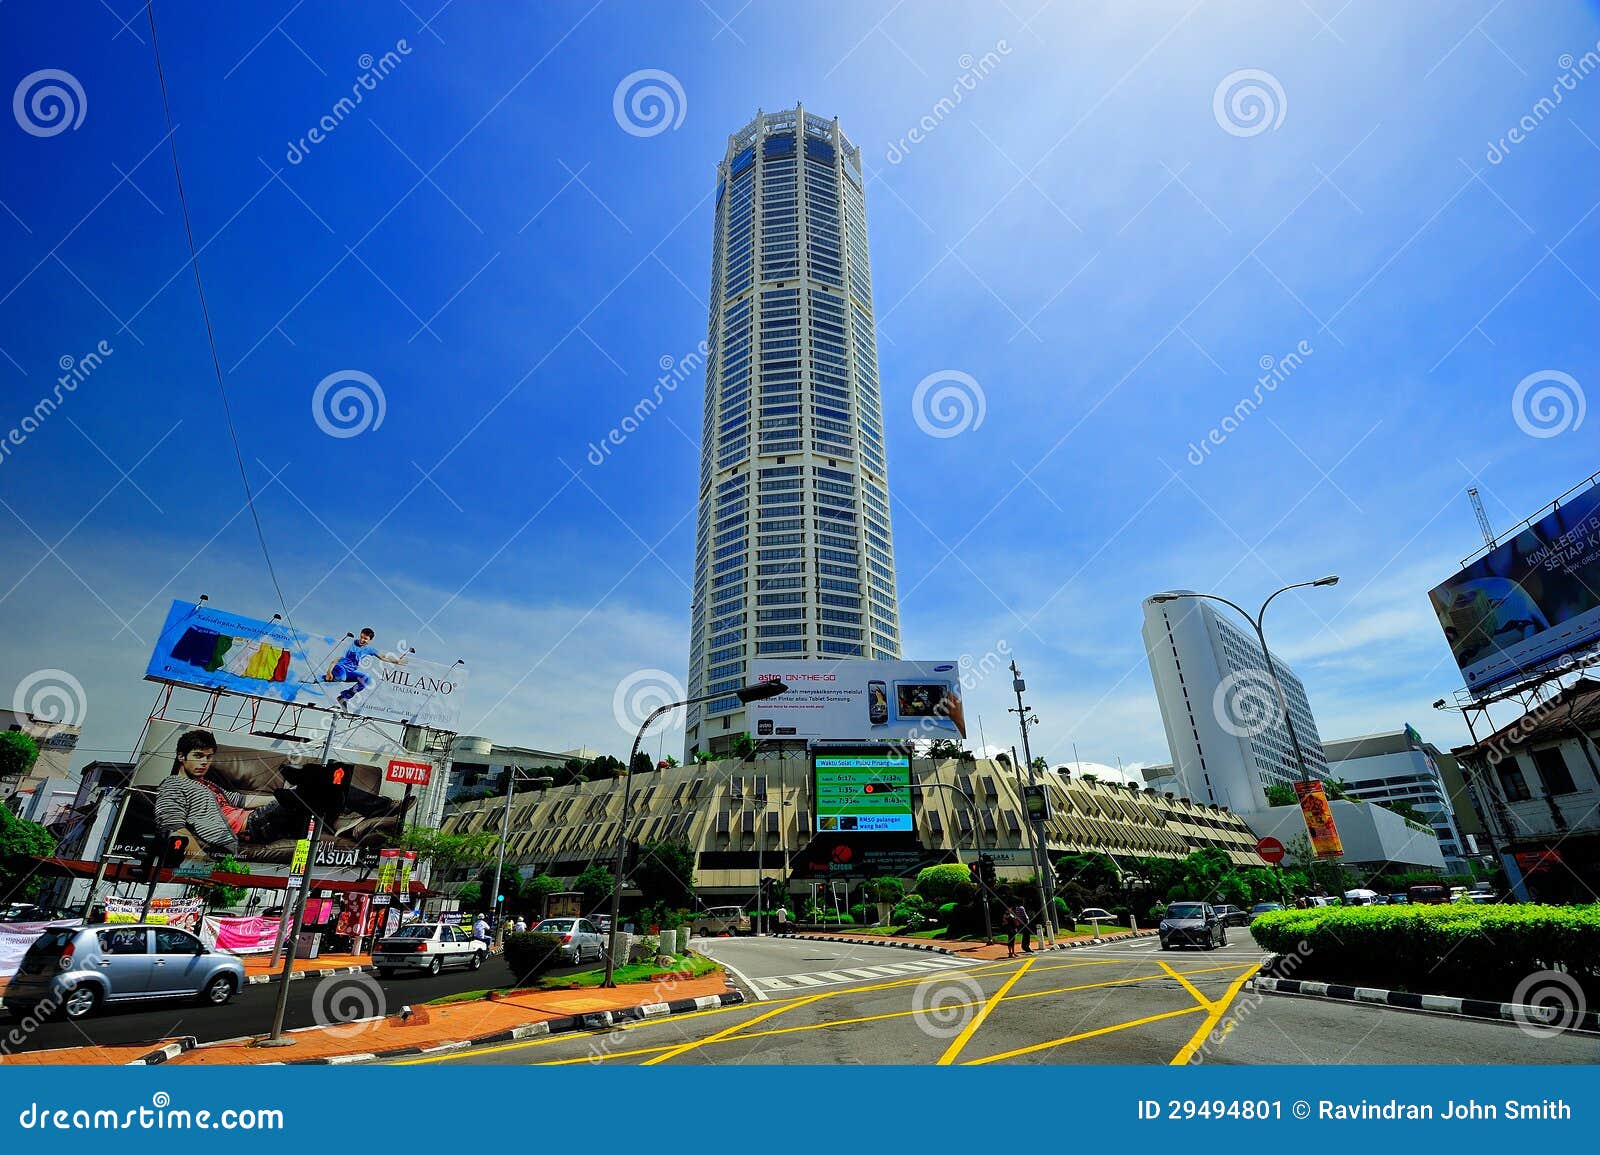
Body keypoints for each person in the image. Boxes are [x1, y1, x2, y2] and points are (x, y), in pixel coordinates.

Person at [324, 628, 406, 711]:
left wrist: (396, 661)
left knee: (365, 679)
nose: (362, 640)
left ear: (370, 640)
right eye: (361, 637)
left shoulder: (369, 650)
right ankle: (321, 678)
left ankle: (344, 697)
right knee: (336, 677)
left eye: (365, 639)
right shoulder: (351, 643)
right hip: (339, 669)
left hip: (349, 672)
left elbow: (382, 657)